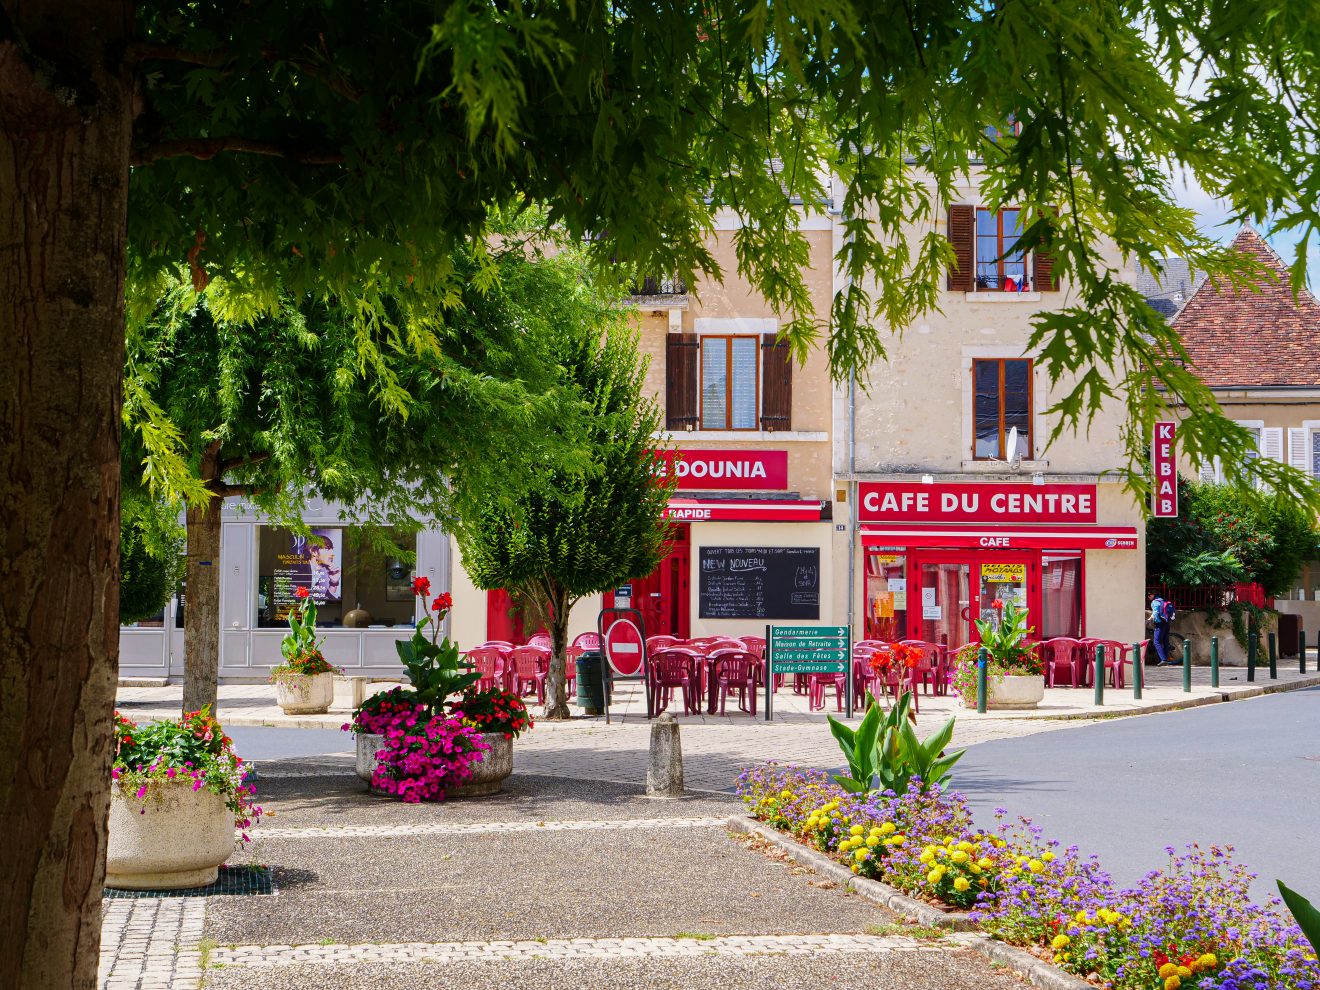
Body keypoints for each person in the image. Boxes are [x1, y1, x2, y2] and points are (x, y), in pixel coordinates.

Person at [1150, 593, 1176, 665]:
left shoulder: (1154, 602)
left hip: (1160, 623)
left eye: (1149, 595)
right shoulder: (1163, 601)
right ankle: (1167, 658)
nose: (1148, 597)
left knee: (1156, 642)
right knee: (1165, 641)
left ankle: (1163, 659)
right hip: (1167, 622)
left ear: (1153, 595)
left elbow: (1155, 612)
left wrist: (1149, 619)